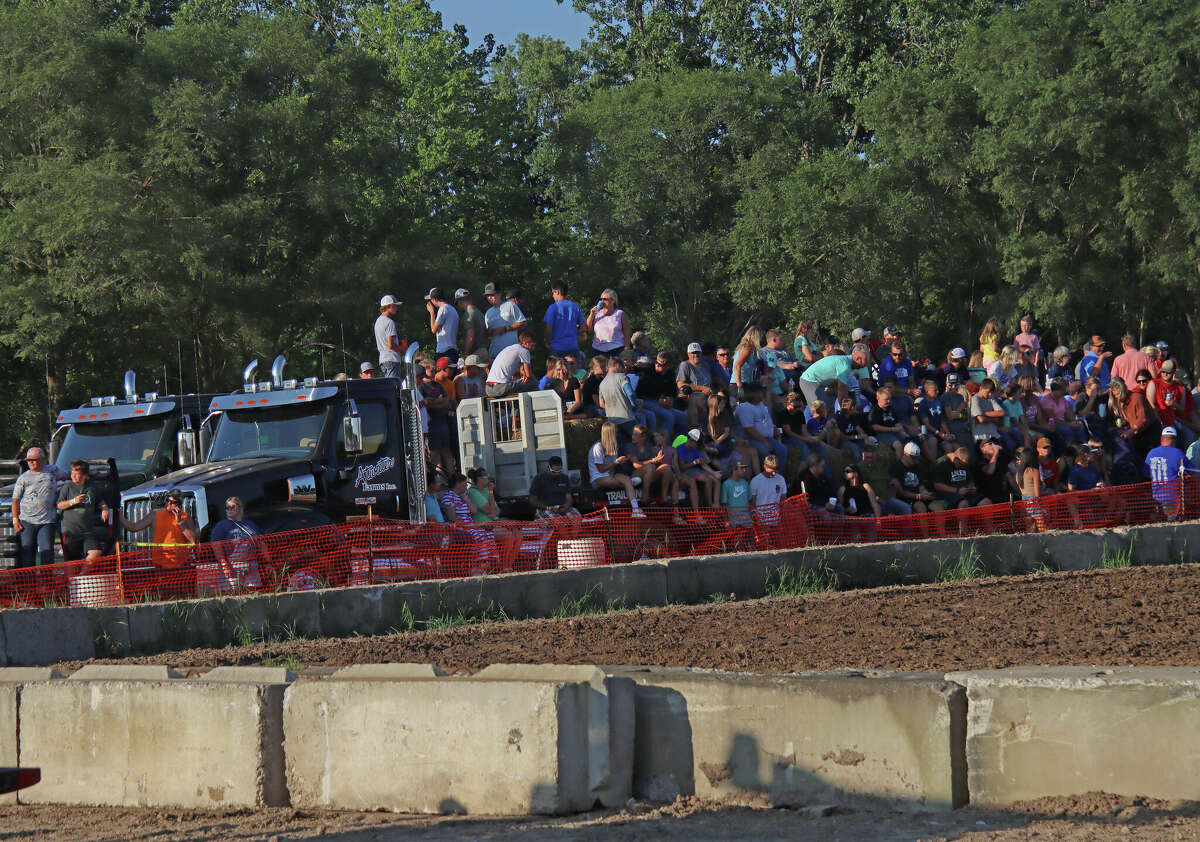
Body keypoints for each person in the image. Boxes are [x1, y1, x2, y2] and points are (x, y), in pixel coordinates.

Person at [11, 447, 69, 569]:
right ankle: (29, 581)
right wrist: (15, 519)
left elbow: (68, 475)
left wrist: (84, 475)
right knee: (27, 554)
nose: (31, 462)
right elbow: (15, 499)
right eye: (28, 460)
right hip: (27, 521)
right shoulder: (23, 478)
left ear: (42, 459)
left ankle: (46, 581)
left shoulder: (52, 471)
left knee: (47, 554)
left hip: (47, 520)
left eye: (34, 459)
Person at [55, 459, 111, 572]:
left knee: (96, 552)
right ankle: (71, 582)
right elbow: (59, 505)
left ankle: (81, 576)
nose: (73, 476)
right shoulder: (67, 487)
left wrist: (105, 509)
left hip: (88, 530)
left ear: (85, 475)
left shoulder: (92, 487)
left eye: (77, 474)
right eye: (72, 473)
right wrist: (73, 501)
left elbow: (101, 502)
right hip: (71, 531)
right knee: (71, 564)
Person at [121, 489, 198, 570]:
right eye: (168, 500)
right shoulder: (155, 515)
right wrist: (119, 516)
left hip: (182, 566)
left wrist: (180, 521)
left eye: (173, 502)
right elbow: (134, 527)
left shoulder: (186, 517)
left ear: (179, 504)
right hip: (161, 566)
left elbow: (193, 540)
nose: (169, 503)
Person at [589, 421, 646, 515]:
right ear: (610, 433)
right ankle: (629, 484)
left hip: (608, 475)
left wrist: (619, 462)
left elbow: (612, 468)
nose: (617, 434)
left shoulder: (613, 446)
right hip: (598, 477)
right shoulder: (598, 447)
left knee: (626, 479)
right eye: (615, 432)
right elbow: (601, 469)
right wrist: (616, 462)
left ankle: (635, 509)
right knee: (614, 482)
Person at [209, 496, 264, 590]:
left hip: (251, 566)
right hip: (232, 567)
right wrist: (224, 565)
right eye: (227, 507)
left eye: (232, 507)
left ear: (240, 507)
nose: (229, 509)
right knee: (232, 594)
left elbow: (261, 543)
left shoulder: (250, 524)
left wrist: (267, 562)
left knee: (254, 592)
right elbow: (216, 546)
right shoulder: (221, 526)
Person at [798, 344, 872, 407]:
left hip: (817, 382)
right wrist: (843, 409)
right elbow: (841, 389)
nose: (860, 368)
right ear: (857, 359)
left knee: (829, 406)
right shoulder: (845, 365)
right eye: (860, 366)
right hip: (809, 381)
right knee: (818, 408)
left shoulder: (846, 362)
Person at [1145, 427, 1194, 520]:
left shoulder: (1151, 454)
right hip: (1173, 498)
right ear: (1175, 440)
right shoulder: (1178, 454)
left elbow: (1147, 474)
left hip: (1156, 498)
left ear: (1161, 439)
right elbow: (1193, 473)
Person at [734, 383, 787, 468]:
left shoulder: (760, 404)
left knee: (782, 450)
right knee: (765, 452)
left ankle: (778, 474)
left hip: (765, 438)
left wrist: (774, 429)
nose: (763, 393)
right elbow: (749, 429)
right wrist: (765, 442)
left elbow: (767, 420)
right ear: (754, 393)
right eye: (760, 392)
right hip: (750, 439)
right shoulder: (744, 408)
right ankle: (766, 474)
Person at [419, 363, 456, 475]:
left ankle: (452, 478)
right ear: (424, 371)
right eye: (431, 371)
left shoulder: (438, 385)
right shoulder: (421, 386)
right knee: (435, 453)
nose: (434, 373)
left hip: (442, 422)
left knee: (446, 451)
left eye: (435, 371)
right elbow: (423, 405)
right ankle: (439, 480)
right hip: (430, 424)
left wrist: (432, 402)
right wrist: (437, 401)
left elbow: (447, 402)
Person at [624, 424, 674, 504]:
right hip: (634, 474)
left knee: (666, 468)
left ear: (643, 437)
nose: (633, 436)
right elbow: (636, 465)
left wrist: (659, 459)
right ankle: (645, 497)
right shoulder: (629, 446)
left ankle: (664, 499)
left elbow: (656, 463)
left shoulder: (649, 446)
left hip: (649, 473)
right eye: (633, 434)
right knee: (650, 467)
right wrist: (653, 460)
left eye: (636, 435)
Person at [890, 442, 943, 514]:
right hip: (907, 498)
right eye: (913, 458)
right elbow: (900, 492)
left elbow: (920, 484)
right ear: (905, 454)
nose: (915, 460)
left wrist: (925, 492)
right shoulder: (896, 468)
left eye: (916, 458)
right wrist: (919, 496)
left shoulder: (916, 466)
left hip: (919, 496)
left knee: (938, 507)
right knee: (920, 507)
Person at [674, 427, 721, 509]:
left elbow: (702, 464)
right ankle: (710, 506)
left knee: (716, 479)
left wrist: (714, 473)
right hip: (686, 472)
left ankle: (716, 504)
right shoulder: (681, 448)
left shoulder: (696, 448)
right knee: (707, 480)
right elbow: (682, 467)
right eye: (697, 443)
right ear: (691, 440)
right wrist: (695, 462)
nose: (698, 446)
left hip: (695, 470)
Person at [932, 445, 991, 509]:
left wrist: (971, 487)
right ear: (956, 459)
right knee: (963, 503)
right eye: (961, 464)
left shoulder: (964, 463)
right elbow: (937, 485)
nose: (963, 467)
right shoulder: (941, 464)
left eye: (965, 465)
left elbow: (970, 480)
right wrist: (957, 490)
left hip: (964, 491)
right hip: (948, 493)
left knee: (986, 502)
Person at [485, 330, 538, 398]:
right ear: (525, 343)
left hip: (488, 389)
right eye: (532, 345)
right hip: (500, 387)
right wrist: (535, 382)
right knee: (532, 383)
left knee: (518, 381)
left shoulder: (510, 348)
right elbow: (529, 375)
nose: (533, 349)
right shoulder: (524, 351)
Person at [676, 342, 717, 428]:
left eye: (698, 352)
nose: (696, 355)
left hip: (709, 394)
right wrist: (702, 388)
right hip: (693, 395)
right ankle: (697, 431)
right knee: (699, 400)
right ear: (688, 354)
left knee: (721, 400)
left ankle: (717, 431)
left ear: (701, 353)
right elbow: (680, 384)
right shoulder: (685, 365)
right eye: (693, 353)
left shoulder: (705, 365)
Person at [597, 356, 638, 440]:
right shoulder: (622, 377)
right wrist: (634, 406)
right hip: (627, 418)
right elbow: (630, 394)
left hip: (612, 421)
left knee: (620, 445)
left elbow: (601, 404)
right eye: (622, 368)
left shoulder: (602, 383)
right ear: (618, 366)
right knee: (640, 441)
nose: (623, 371)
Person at [543, 280, 585, 356]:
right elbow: (583, 327)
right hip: (573, 348)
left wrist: (548, 342)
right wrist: (575, 340)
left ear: (557, 292)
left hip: (556, 348)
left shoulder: (553, 308)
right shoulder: (575, 307)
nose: (553, 296)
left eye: (553, 293)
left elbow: (548, 329)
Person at [487, 287, 527, 359]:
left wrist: (506, 328)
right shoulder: (488, 313)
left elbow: (523, 322)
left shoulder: (510, 305)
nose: (490, 297)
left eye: (492, 295)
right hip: (494, 354)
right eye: (487, 295)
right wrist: (488, 332)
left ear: (499, 294)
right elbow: (488, 336)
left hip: (511, 353)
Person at [586, 288, 630, 354]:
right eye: (601, 299)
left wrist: (626, 349)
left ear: (613, 301)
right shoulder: (597, 313)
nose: (602, 301)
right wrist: (592, 313)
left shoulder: (620, 314)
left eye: (605, 299)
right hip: (598, 349)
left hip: (617, 349)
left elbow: (627, 333)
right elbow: (588, 328)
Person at [425, 287, 459, 365]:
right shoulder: (452, 309)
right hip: (452, 350)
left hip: (444, 351)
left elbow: (433, 329)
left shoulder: (443, 309)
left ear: (434, 299)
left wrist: (432, 313)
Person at [749, 454, 788, 523]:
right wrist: (756, 518)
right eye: (771, 471)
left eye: (775, 471)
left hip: (776, 521)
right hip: (760, 521)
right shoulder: (755, 481)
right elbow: (752, 503)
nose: (774, 474)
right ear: (765, 467)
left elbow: (783, 500)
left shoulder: (781, 479)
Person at [374, 294, 403, 378]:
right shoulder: (389, 322)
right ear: (388, 306)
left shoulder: (378, 321)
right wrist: (403, 348)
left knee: (388, 383)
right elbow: (391, 345)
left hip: (383, 359)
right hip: (392, 359)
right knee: (393, 384)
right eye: (394, 306)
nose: (396, 308)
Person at [455, 288, 488, 358]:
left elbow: (470, 337)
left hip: (475, 354)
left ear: (459, 302)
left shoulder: (468, 314)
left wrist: (465, 354)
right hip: (484, 350)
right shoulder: (479, 312)